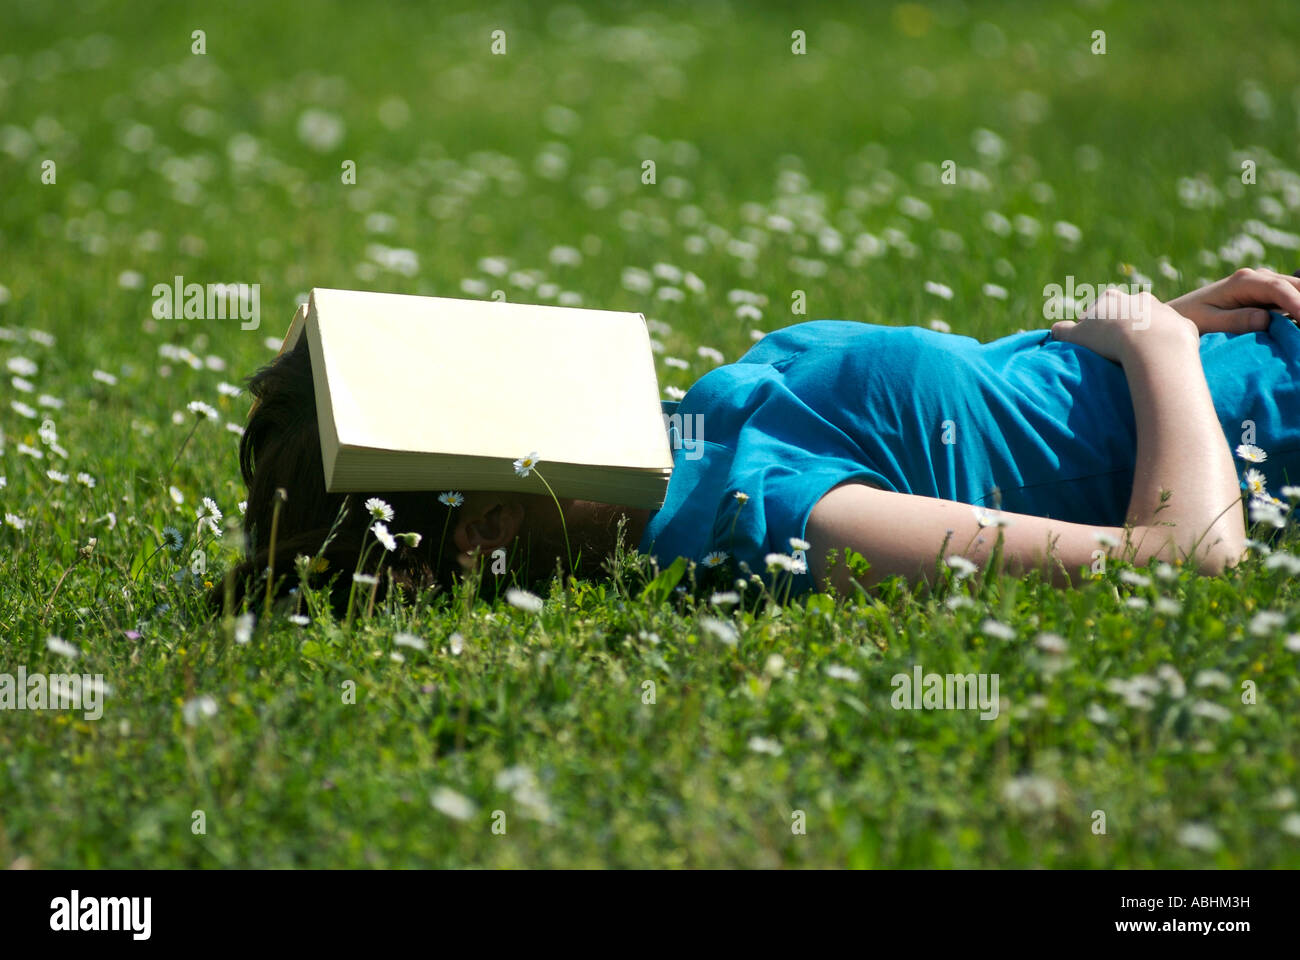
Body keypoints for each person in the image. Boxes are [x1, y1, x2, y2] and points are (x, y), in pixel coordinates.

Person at [213, 268, 1300, 615]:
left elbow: (986, 404)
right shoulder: (764, 517)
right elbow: (1185, 562)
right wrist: (1153, 349)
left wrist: (1144, 329)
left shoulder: (693, 421)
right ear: (482, 527)